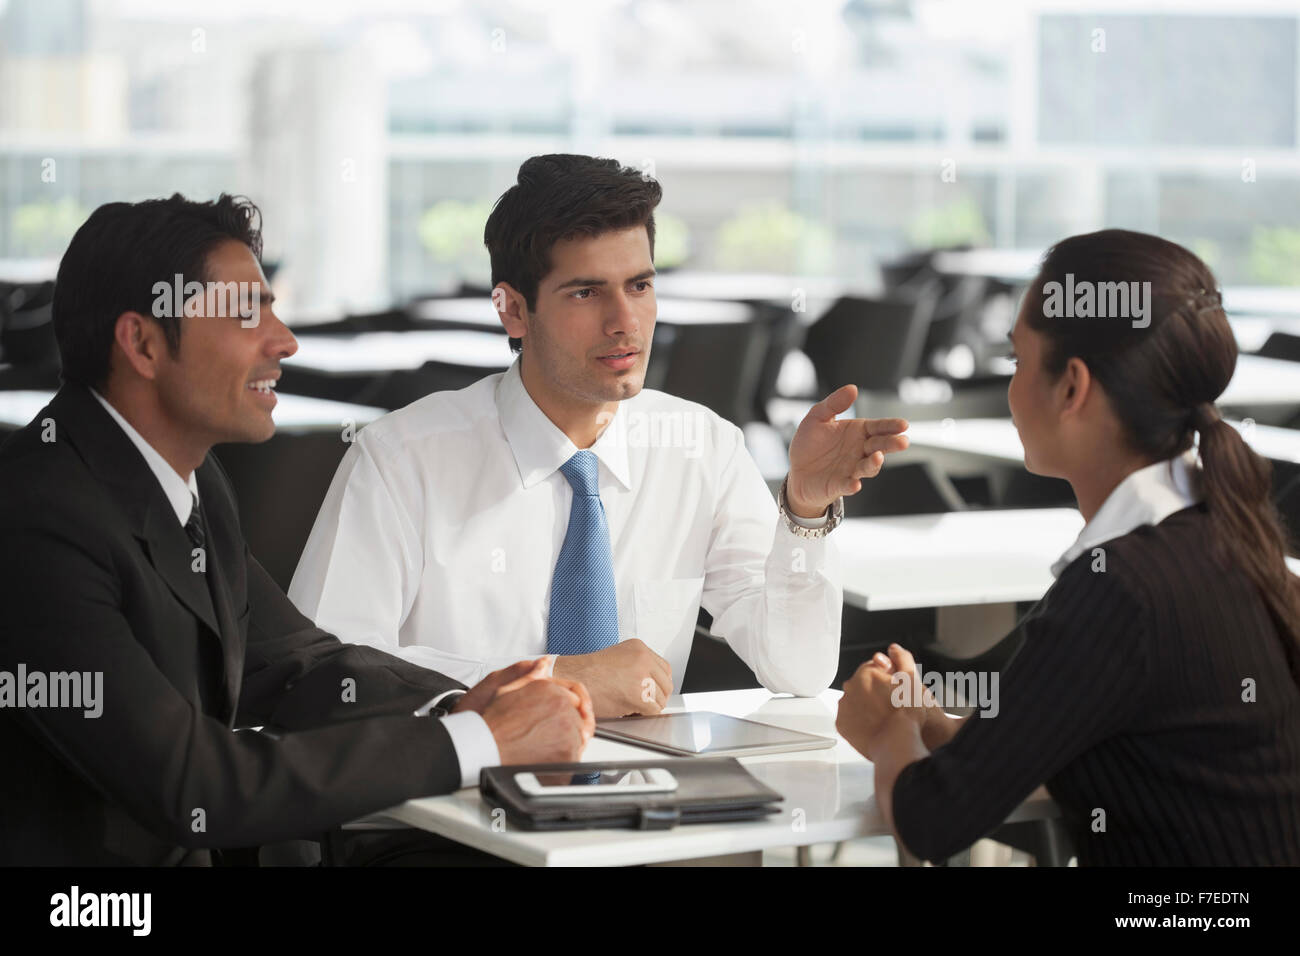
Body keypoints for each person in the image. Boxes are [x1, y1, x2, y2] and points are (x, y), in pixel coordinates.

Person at [0, 194, 593, 866]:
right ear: (141, 342)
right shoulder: (36, 521)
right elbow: (193, 784)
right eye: (248, 312)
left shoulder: (190, 482)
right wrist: (479, 745)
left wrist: (456, 709)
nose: (284, 340)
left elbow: (296, 666)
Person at [288, 154, 910, 717]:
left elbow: (798, 671)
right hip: (448, 815)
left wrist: (803, 511)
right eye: (586, 292)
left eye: (639, 285)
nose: (625, 322)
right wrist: (556, 678)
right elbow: (331, 673)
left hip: (642, 810)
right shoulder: (402, 459)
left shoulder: (703, 448)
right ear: (512, 310)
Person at [836, 228, 1300, 866]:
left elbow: (929, 823)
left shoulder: (1123, 589)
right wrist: (925, 722)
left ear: (1072, 388)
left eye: (1021, 361)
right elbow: (1052, 739)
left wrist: (885, 728)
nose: (1012, 386)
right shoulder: (1218, 533)